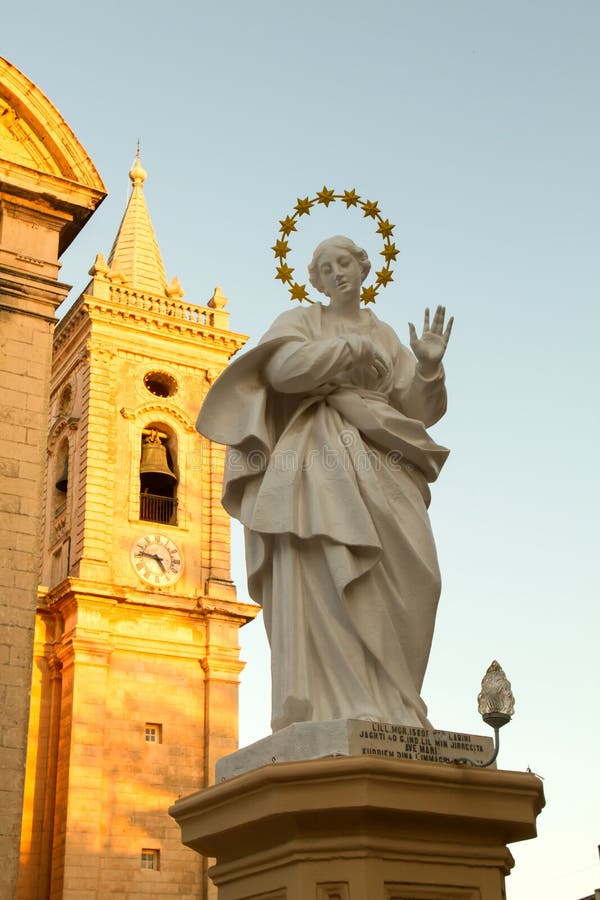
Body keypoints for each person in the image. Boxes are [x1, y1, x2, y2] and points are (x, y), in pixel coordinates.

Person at [196, 236, 453, 731]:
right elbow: (283, 371)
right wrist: (348, 349)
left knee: (421, 574)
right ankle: (345, 701)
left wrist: (427, 367)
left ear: (363, 268)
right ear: (315, 280)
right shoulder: (300, 320)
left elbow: (417, 410)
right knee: (328, 563)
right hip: (319, 458)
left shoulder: (384, 334)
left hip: (384, 456)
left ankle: (398, 701)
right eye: (326, 267)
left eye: (345, 262)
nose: (338, 272)